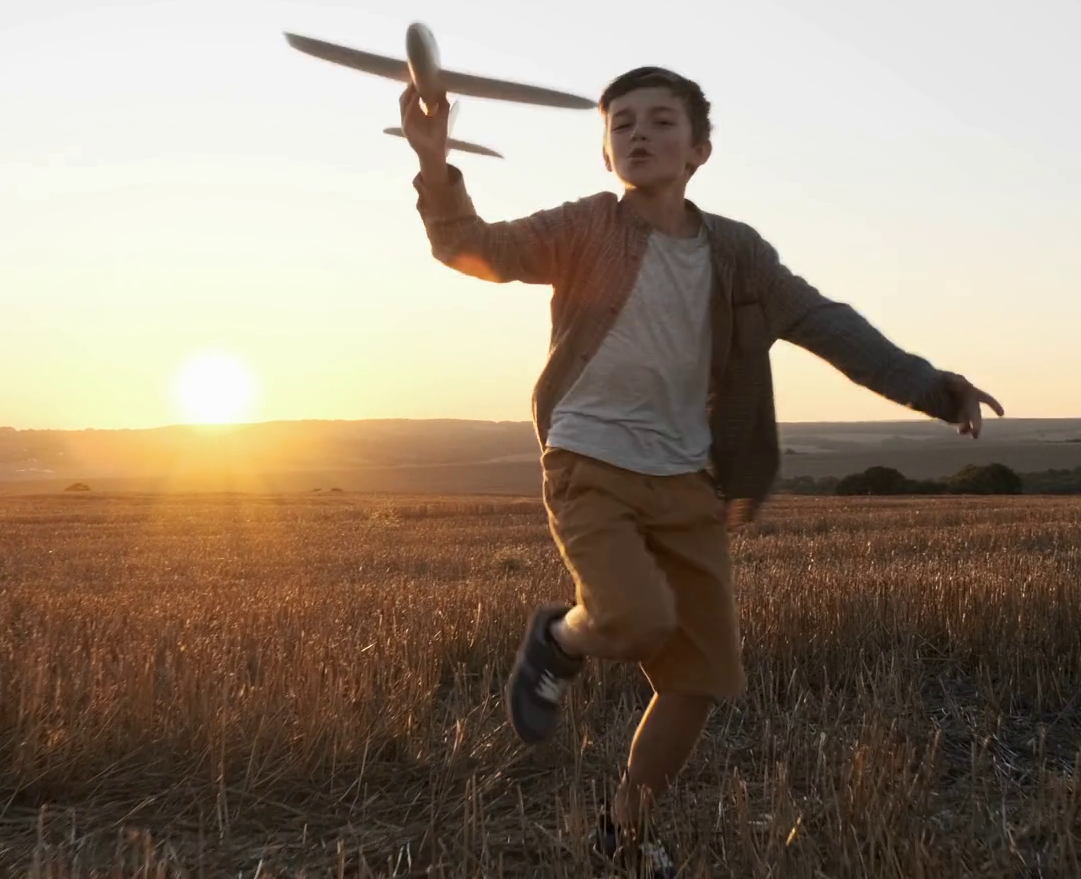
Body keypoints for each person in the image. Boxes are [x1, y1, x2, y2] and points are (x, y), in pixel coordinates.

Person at [400, 68, 1002, 869]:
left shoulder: (737, 254)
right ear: (607, 152)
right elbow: (473, 249)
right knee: (634, 619)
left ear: (701, 150)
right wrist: (436, 166)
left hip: (689, 481)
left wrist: (935, 388)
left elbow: (828, 324)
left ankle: (623, 836)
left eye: (660, 122)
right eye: (622, 126)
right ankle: (561, 637)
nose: (639, 135)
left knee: (699, 677)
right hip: (590, 459)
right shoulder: (586, 228)